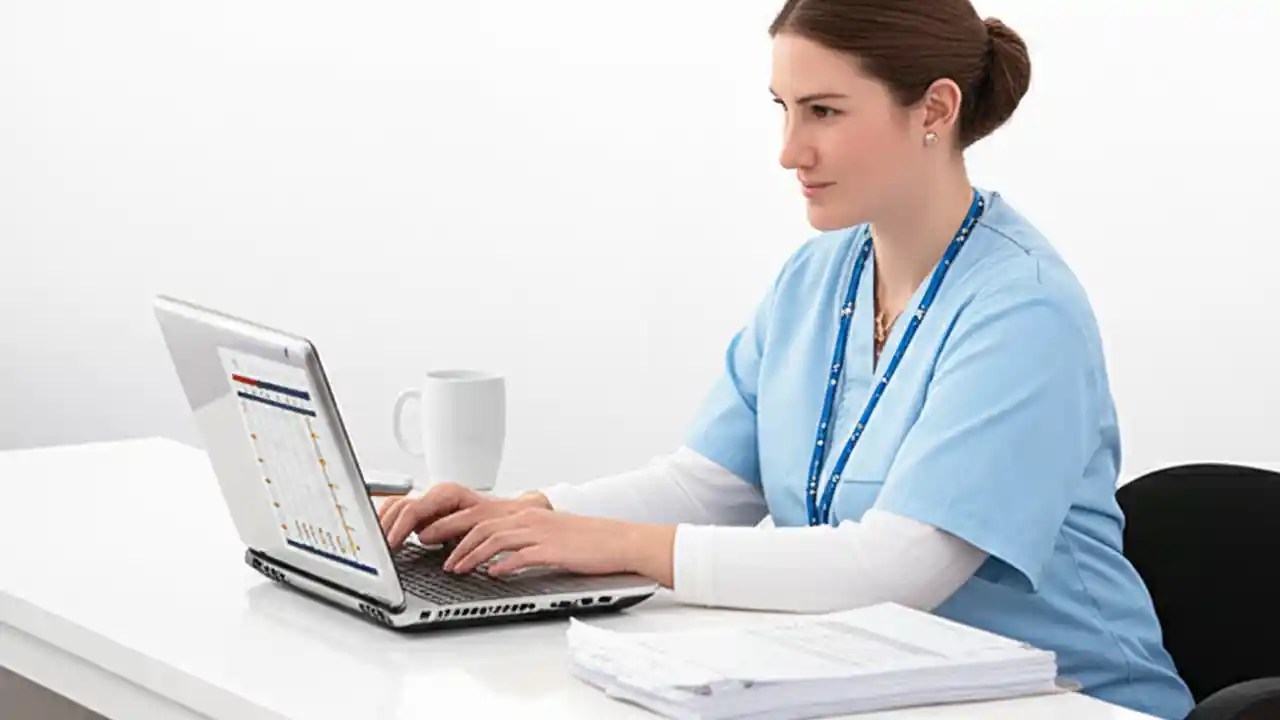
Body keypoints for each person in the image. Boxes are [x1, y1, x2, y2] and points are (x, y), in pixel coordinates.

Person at [377, 1, 1194, 717]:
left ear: (934, 109)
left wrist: (612, 544)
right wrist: (525, 515)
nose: (788, 150)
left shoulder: (1025, 309)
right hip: (882, 689)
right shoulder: (818, 275)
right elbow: (707, 486)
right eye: (783, 108)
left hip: (1071, 705)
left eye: (825, 112)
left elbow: (898, 567)